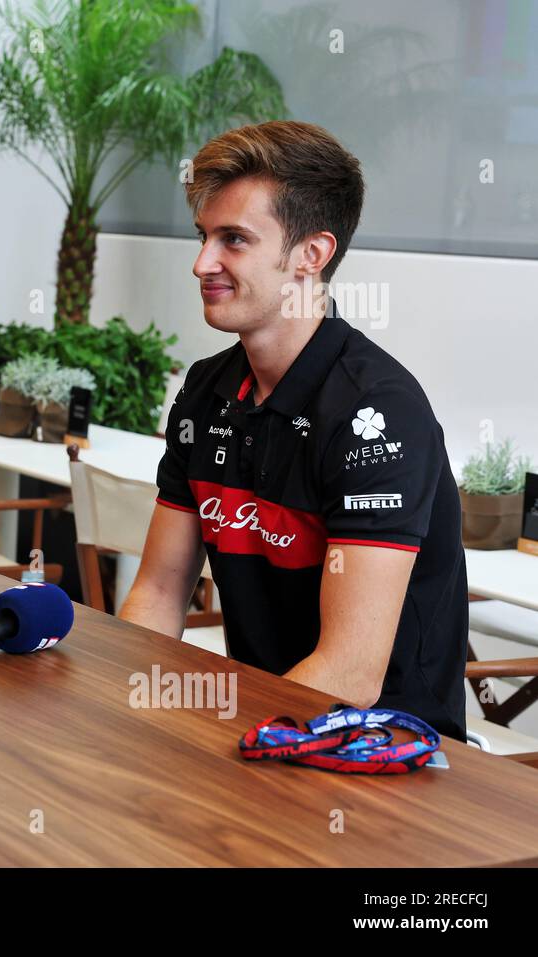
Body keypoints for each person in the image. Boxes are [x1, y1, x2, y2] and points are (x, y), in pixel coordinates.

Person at [120, 120, 468, 741]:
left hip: (381, 758)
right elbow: (159, 592)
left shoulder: (378, 413)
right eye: (204, 237)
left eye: (234, 240)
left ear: (312, 254)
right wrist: (126, 710)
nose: (203, 263)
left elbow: (349, 675)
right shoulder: (205, 390)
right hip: (256, 730)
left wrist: (216, 746)